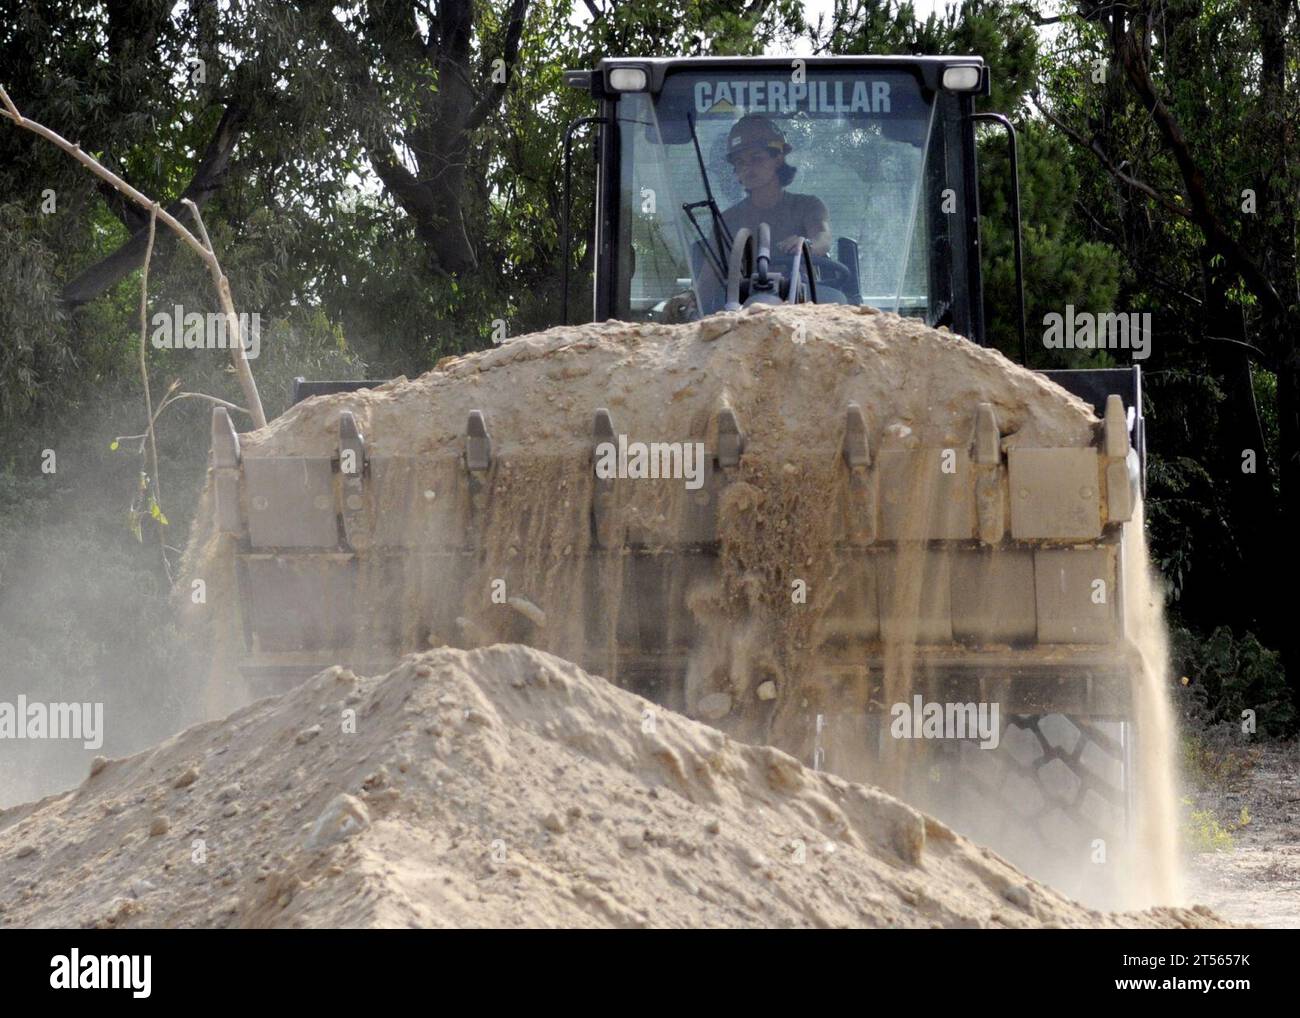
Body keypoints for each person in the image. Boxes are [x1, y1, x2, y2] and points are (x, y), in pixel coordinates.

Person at [721, 115, 832, 257]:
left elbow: (823, 239)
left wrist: (807, 246)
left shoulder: (807, 206)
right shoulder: (728, 220)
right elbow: (707, 277)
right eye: (740, 162)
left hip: (799, 279)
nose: (747, 167)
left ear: (778, 159)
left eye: (756, 158)